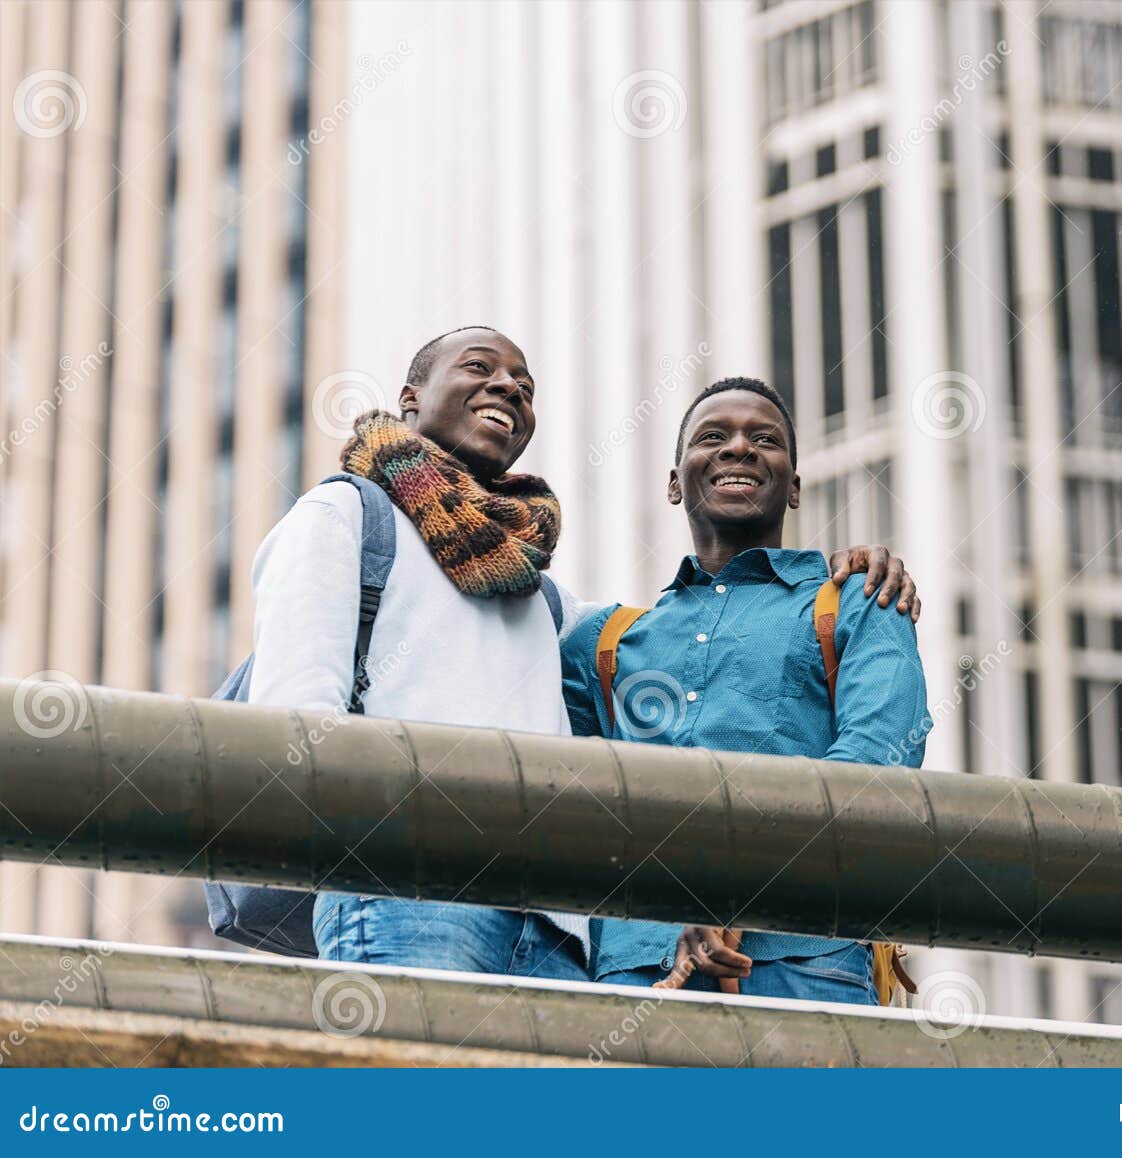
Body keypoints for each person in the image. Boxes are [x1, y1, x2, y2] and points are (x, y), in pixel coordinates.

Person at [244, 328, 917, 983]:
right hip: (415, 899)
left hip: (555, 940)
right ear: (411, 399)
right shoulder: (349, 517)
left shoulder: (548, 605)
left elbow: (859, 754)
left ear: (796, 486)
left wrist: (859, 568)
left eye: (525, 384)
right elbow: (294, 731)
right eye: (479, 368)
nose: (506, 385)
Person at [563, 376, 932, 1004]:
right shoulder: (601, 642)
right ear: (675, 482)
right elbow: (567, 812)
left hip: (806, 964)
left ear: (793, 487)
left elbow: (875, 771)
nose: (739, 448)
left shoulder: (861, 603)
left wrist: (732, 894)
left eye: (765, 439)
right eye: (713, 437)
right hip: (630, 974)